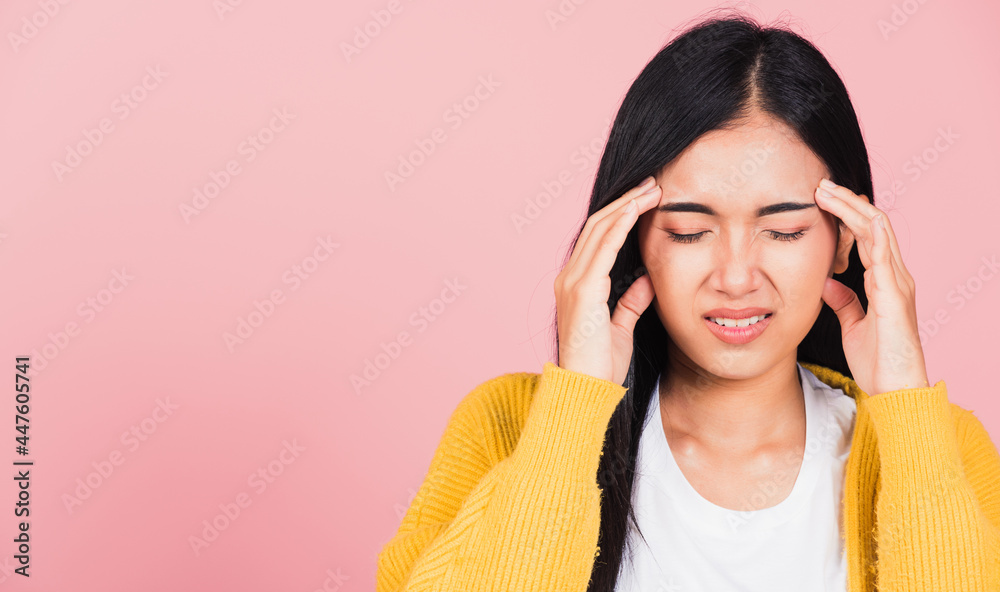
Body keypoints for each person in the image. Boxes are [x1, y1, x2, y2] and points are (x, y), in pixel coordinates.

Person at [375, 12, 1000, 592]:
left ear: (846, 244)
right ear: (631, 241)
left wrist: (906, 408)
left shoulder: (942, 447)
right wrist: (571, 412)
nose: (734, 277)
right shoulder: (507, 426)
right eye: (688, 231)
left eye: (783, 230)